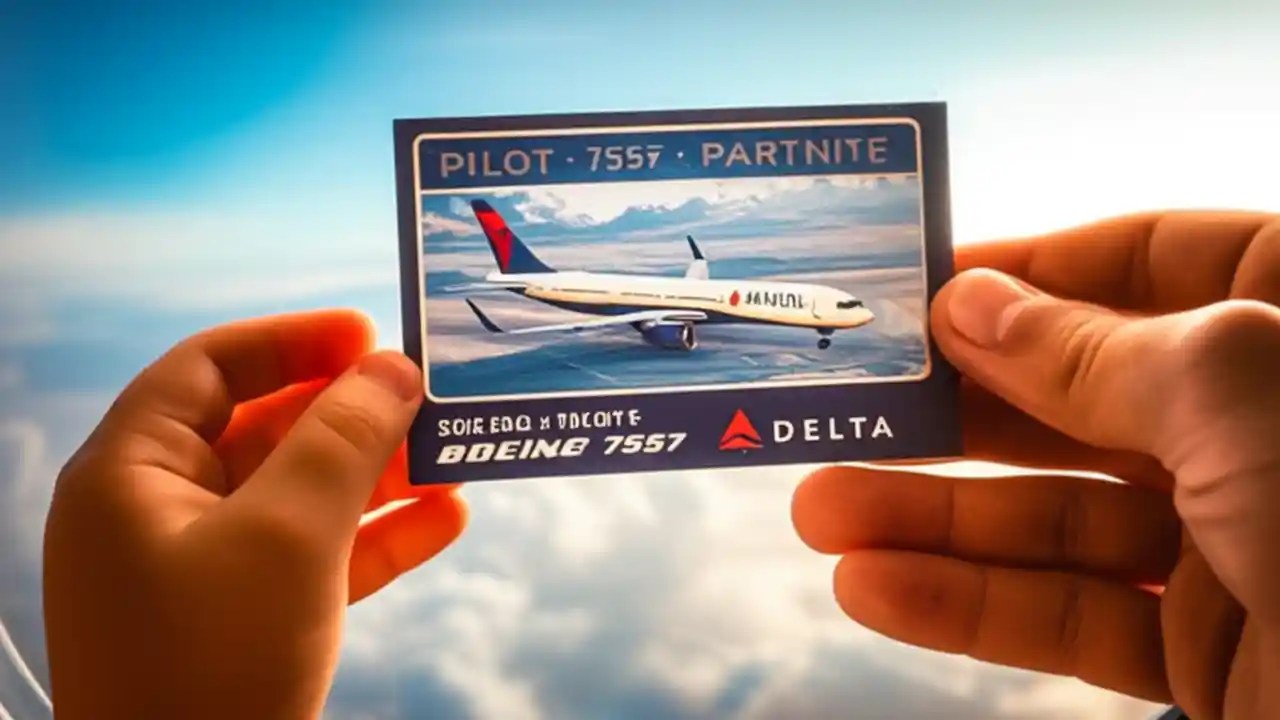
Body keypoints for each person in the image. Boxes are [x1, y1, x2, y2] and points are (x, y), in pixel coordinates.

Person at [40, 210, 1279, 720]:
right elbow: (644, 328)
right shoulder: (662, 301)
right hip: (588, 302)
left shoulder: (793, 301)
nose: (842, 318)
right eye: (830, 314)